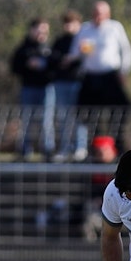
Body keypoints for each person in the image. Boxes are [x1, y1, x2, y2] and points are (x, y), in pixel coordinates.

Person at [69, 0, 131, 153]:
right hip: (91, 77)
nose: (98, 17)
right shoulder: (85, 29)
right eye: (96, 13)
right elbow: (74, 54)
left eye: (102, 13)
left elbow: (126, 50)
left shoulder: (115, 28)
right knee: (87, 112)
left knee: (121, 109)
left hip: (111, 76)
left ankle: (118, 144)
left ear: (108, 14)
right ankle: (95, 146)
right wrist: (81, 51)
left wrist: (124, 71)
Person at [10, 18, 55, 159]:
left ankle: (47, 151)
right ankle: (25, 150)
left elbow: (56, 68)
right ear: (32, 30)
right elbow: (14, 67)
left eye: (45, 30)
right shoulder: (23, 49)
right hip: (28, 88)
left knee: (46, 121)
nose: (42, 33)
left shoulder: (49, 49)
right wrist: (27, 65)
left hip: (46, 89)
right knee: (26, 120)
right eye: (39, 30)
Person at [49, 10, 85, 161]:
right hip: (61, 83)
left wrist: (73, 60)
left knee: (80, 117)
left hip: (78, 82)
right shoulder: (59, 41)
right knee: (63, 117)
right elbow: (52, 59)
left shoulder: (83, 41)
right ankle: (64, 147)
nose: (69, 26)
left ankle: (80, 148)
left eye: (72, 23)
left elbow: (86, 57)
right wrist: (63, 60)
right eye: (66, 23)